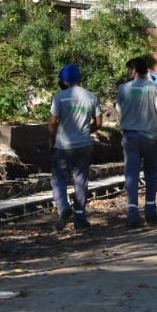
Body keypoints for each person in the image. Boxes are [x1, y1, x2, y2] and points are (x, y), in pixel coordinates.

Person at [116, 56, 157, 227]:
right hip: (150, 137)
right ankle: (151, 213)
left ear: (133, 70)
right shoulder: (154, 88)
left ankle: (132, 215)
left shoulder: (122, 89)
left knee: (131, 175)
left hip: (130, 137)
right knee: (151, 175)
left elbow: (119, 110)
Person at [49, 63, 103, 231]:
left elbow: (52, 122)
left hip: (63, 145)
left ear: (64, 81)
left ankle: (64, 208)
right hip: (84, 145)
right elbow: (99, 122)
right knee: (80, 181)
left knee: (58, 179)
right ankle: (80, 219)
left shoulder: (60, 97)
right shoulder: (91, 97)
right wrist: (88, 130)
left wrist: (52, 141)